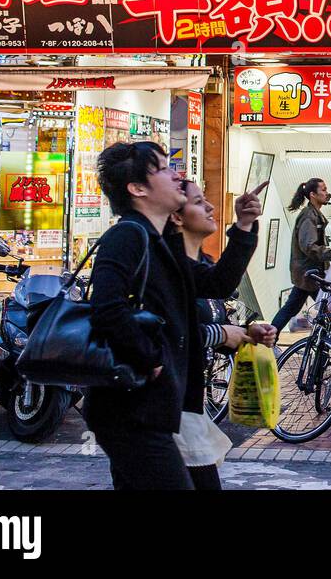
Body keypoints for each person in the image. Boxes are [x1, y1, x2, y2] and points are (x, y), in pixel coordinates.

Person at [85, 141, 264, 490]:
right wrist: (149, 356)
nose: (175, 175)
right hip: (129, 407)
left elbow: (217, 282)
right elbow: (106, 306)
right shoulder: (127, 236)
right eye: (163, 169)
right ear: (137, 189)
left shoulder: (160, 245)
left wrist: (243, 225)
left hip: (153, 407)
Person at [168, 177, 275, 490]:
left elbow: (220, 291)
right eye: (199, 202)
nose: (211, 206)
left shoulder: (202, 265)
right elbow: (170, 333)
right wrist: (223, 333)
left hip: (188, 406)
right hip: (167, 408)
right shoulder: (165, 263)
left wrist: (244, 332)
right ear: (176, 215)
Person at [270, 177, 331, 333]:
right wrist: (330, 254)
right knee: (326, 309)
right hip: (310, 273)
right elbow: (309, 246)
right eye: (323, 190)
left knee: (293, 308)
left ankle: (269, 339)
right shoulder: (309, 216)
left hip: (308, 273)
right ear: (313, 194)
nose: (327, 193)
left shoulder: (314, 214)